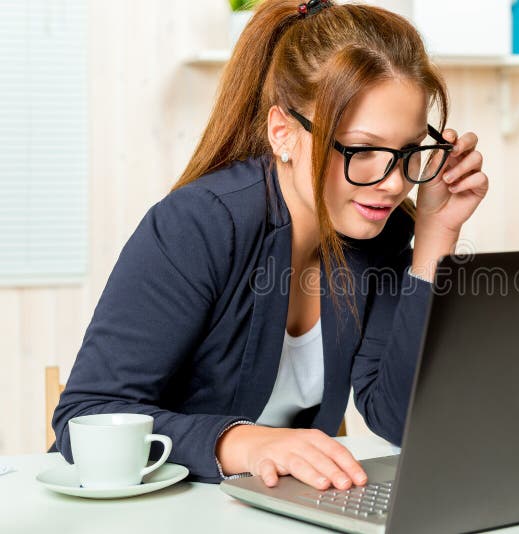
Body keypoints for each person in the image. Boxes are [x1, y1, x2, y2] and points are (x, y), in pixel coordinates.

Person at [53, 0, 488, 491]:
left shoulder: (379, 239)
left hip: (282, 514)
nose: (391, 184)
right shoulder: (199, 224)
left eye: (409, 152)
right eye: (362, 150)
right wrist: (245, 443)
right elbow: (83, 418)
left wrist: (434, 239)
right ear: (283, 132)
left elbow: (397, 419)